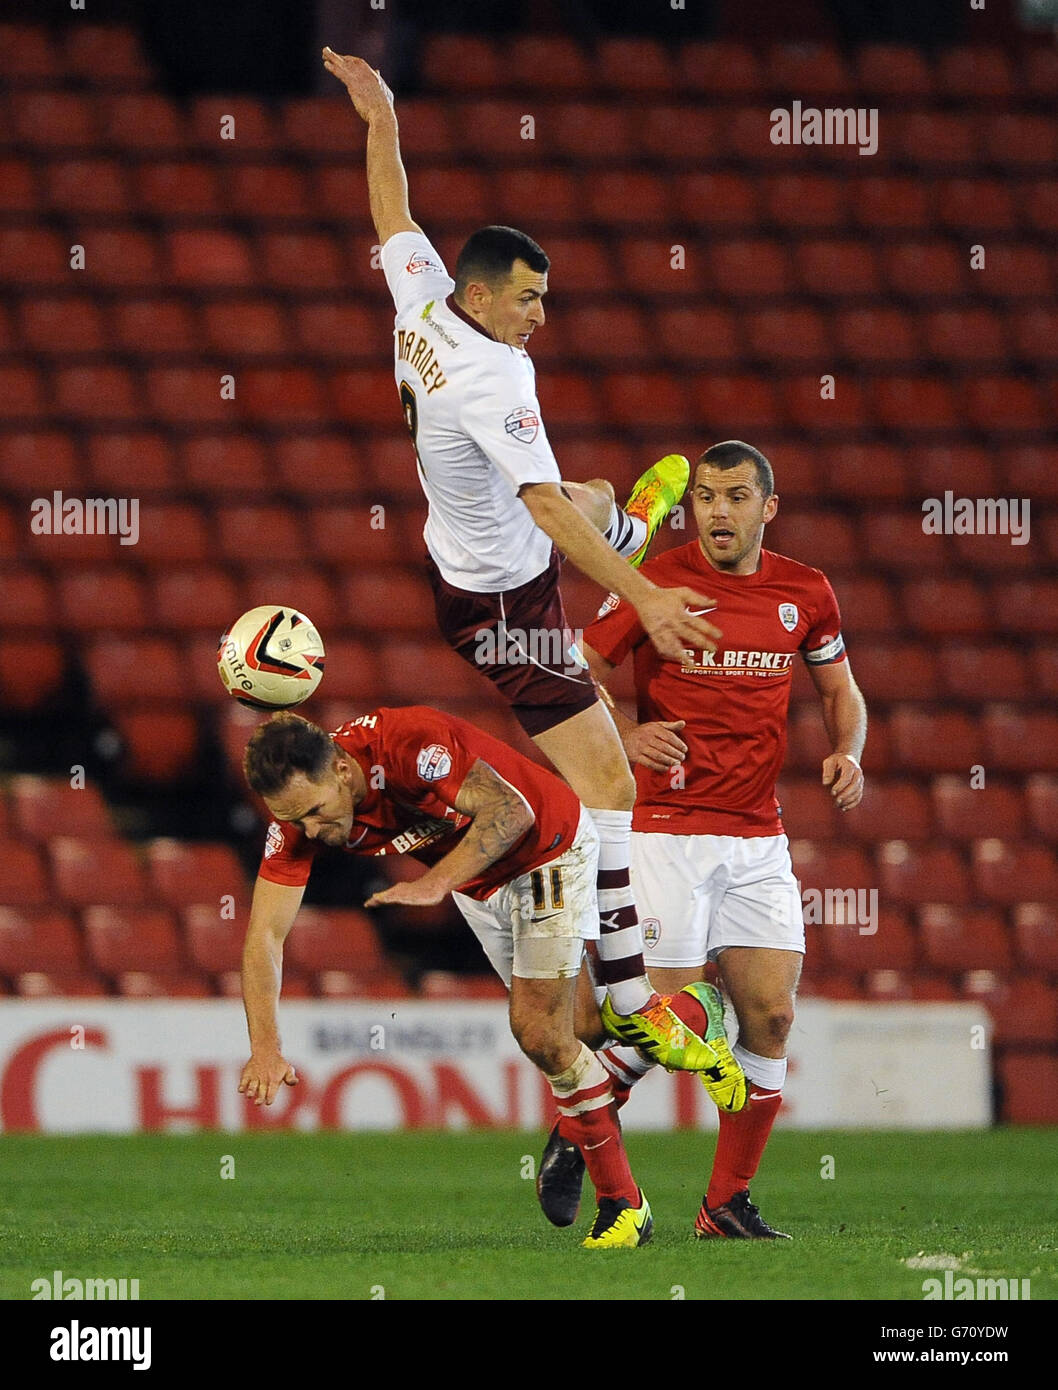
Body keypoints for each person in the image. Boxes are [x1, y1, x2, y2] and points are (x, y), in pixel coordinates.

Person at [321, 48, 742, 1095]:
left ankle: (627, 527)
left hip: (475, 566)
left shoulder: (421, 305)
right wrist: (641, 595)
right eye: (529, 299)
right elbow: (542, 510)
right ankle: (635, 993)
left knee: (592, 492)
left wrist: (380, 119)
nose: (538, 317)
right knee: (610, 782)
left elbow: (391, 216)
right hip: (503, 605)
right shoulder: (494, 376)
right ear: (483, 293)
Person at [538, 441, 868, 1238]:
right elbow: (568, 669)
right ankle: (573, 1133)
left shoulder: (805, 593)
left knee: (772, 1018)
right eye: (706, 497)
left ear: (768, 508)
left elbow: (840, 690)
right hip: (664, 830)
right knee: (664, 1023)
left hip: (758, 836)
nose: (717, 511)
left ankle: (725, 1204)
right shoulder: (653, 588)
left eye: (735, 497)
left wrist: (848, 751)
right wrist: (626, 730)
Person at [238, 704, 689, 1247]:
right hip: (478, 884)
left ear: (338, 767)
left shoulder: (407, 744)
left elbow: (511, 812)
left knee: (539, 1033)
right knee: (582, 1033)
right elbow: (265, 937)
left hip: (546, 849)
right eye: (294, 820)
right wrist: (265, 1047)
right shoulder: (297, 824)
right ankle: (643, 1060)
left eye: (313, 811)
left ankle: (623, 1204)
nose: (311, 829)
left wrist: (433, 884)